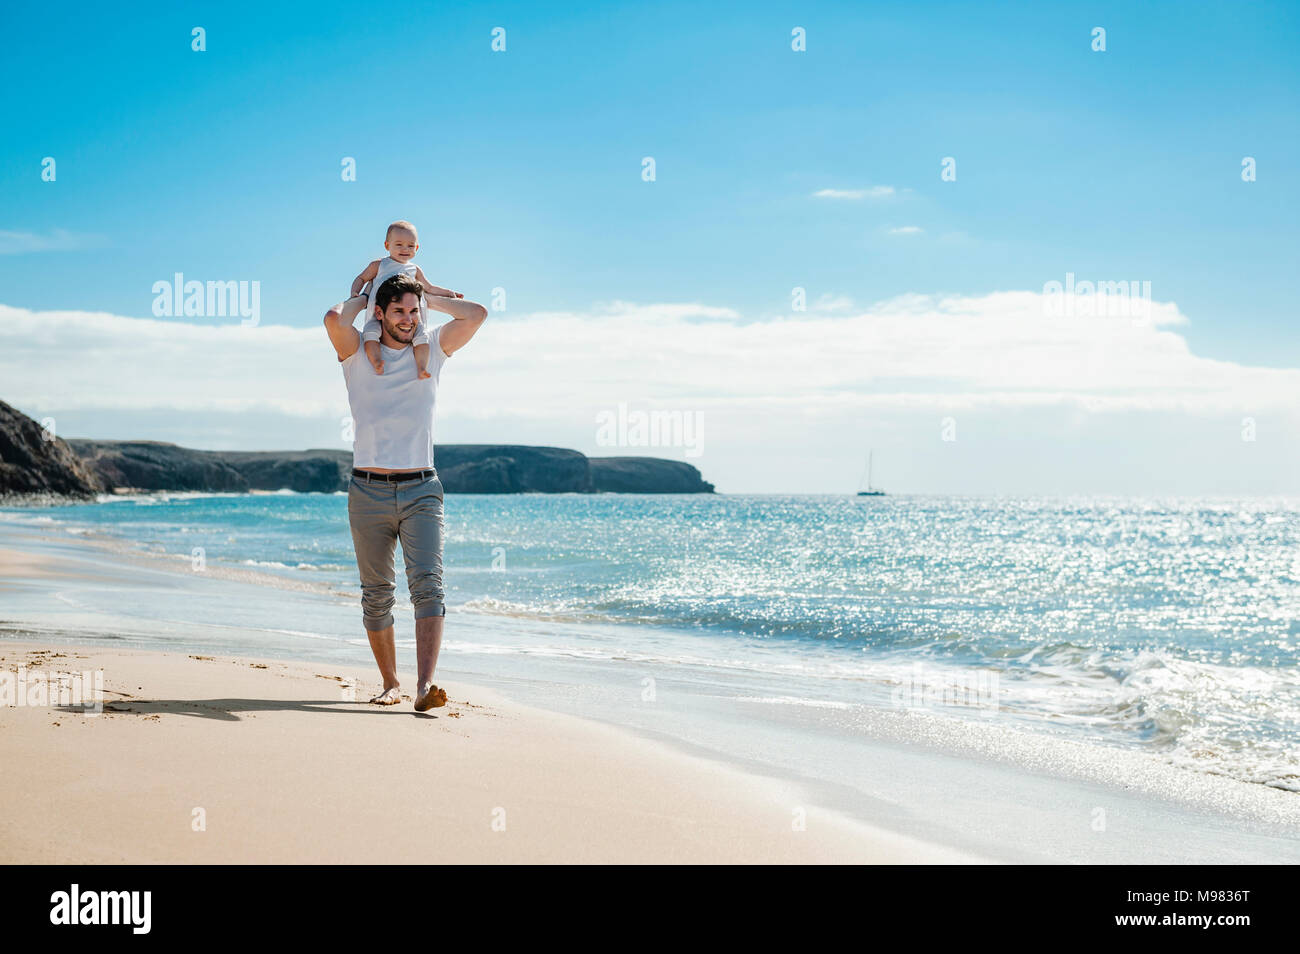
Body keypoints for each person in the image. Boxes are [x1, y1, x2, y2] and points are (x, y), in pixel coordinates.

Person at [323, 272, 488, 710]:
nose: (409, 319)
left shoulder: (432, 349)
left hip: (421, 488)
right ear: (382, 312)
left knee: (428, 587)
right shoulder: (357, 352)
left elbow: (477, 314)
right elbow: (332, 318)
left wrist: (428, 295)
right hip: (368, 490)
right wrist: (363, 297)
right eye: (398, 310)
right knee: (376, 594)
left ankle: (424, 687)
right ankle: (390, 683)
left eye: (414, 312)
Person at [349, 219, 462, 378]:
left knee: (422, 338)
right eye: (399, 244)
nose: (405, 249)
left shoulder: (414, 269)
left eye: (410, 245)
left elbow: (429, 288)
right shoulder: (379, 265)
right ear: (387, 246)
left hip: (410, 316)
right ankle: (376, 361)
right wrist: (355, 293)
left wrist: (449, 293)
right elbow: (361, 278)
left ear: (416, 248)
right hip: (380, 314)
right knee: (371, 334)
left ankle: (422, 367)